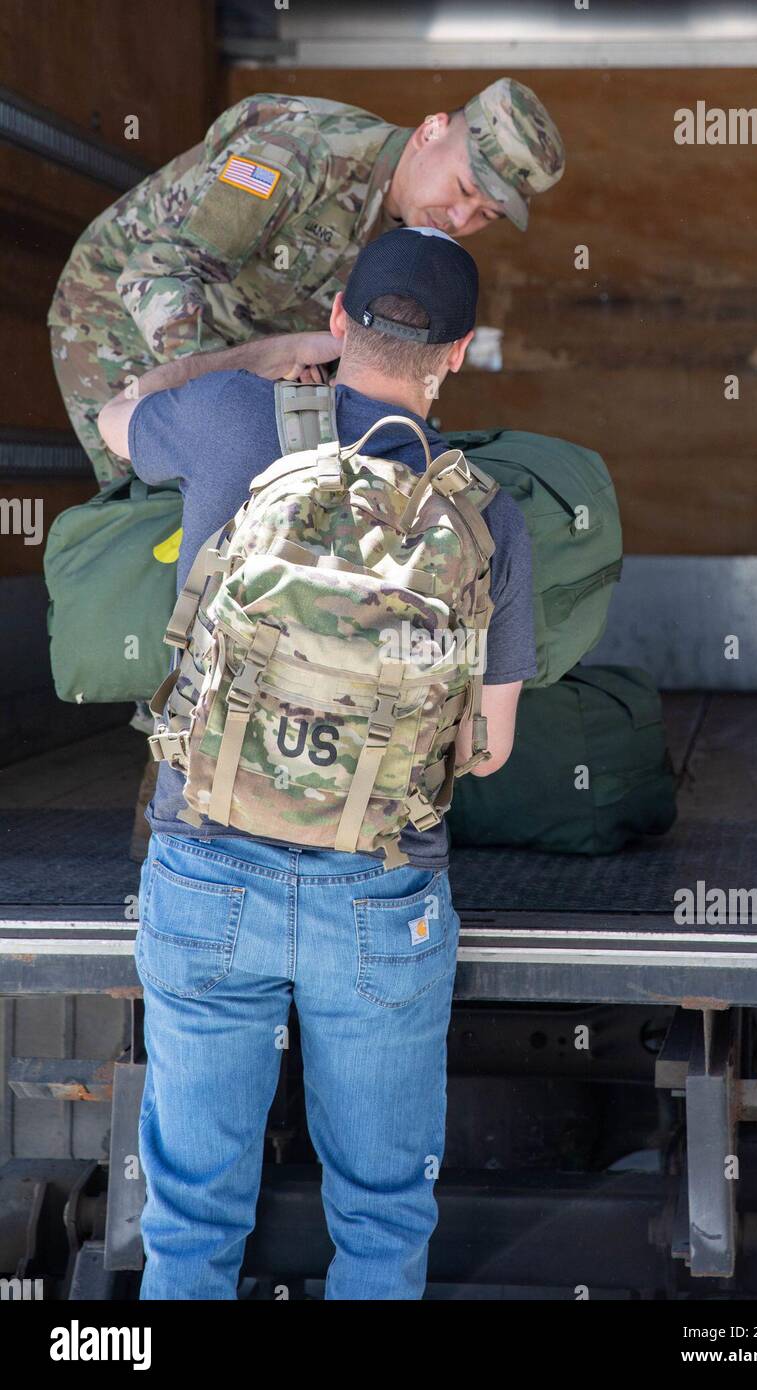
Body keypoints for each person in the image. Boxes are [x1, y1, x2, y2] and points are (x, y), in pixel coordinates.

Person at [97, 226, 536, 1300]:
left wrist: (254, 357)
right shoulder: (487, 514)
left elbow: (118, 413)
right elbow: (485, 750)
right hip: (380, 896)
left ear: (340, 319)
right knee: (382, 1222)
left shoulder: (230, 417)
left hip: (205, 870)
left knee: (190, 1219)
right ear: (461, 351)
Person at [57, 78, 565, 486]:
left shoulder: (410, 236)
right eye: (464, 188)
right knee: (156, 504)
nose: (459, 218)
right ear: (430, 130)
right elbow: (159, 272)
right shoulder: (302, 150)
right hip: (118, 318)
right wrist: (230, 398)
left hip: (244, 341)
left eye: (486, 215)